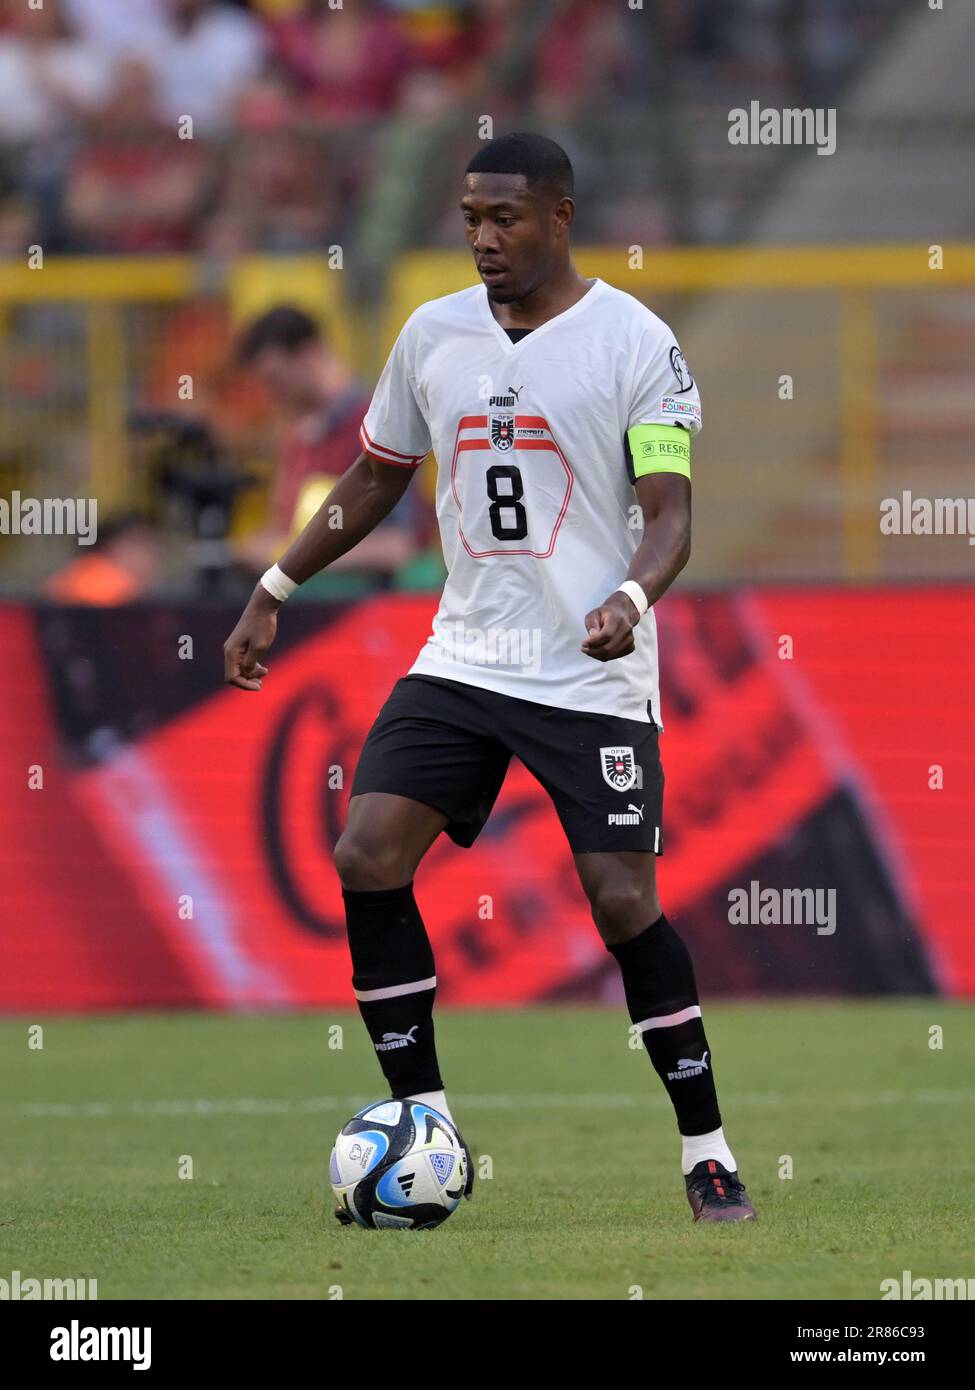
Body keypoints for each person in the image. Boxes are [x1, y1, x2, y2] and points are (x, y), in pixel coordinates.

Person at [224, 132, 756, 1224]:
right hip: (463, 658)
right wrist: (276, 583)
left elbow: (673, 518)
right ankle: (424, 1124)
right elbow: (375, 479)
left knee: (622, 902)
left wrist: (633, 598)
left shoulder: (635, 344)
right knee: (365, 853)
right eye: (470, 219)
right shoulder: (433, 335)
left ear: (560, 216)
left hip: (589, 669)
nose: (483, 239)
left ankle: (707, 1150)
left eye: (504, 218)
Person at [234, 305, 417, 577]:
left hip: (366, 609)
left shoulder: (375, 427)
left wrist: (291, 556)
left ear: (308, 356)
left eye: (275, 379)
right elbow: (287, 533)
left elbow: (400, 546)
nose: (270, 395)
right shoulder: (298, 438)